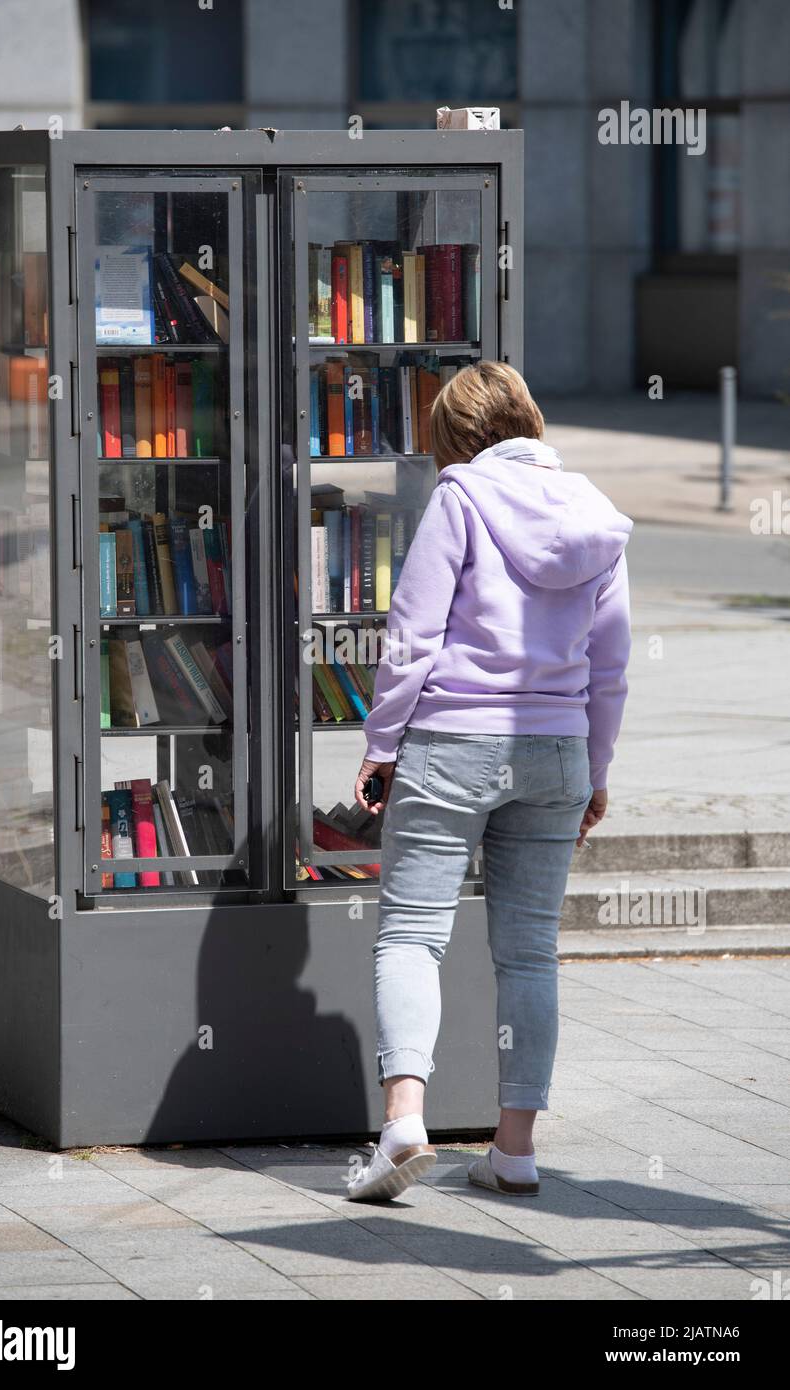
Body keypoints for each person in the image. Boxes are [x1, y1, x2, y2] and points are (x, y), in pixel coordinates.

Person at [346, 362, 632, 1202]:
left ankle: (403, 1124)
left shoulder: (459, 498)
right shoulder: (595, 516)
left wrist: (379, 744)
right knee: (530, 954)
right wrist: (597, 771)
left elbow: (412, 632)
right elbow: (610, 667)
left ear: (455, 439)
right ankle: (514, 1150)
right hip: (557, 751)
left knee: (410, 935)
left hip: (453, 742)